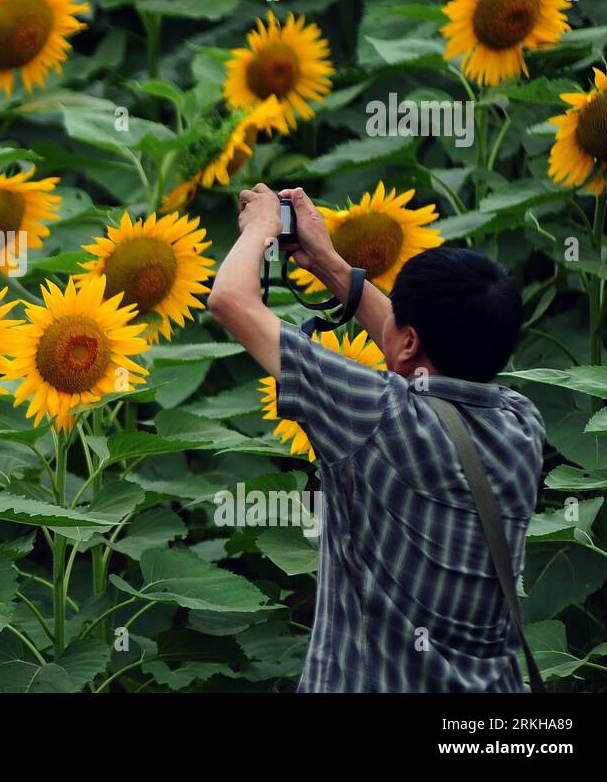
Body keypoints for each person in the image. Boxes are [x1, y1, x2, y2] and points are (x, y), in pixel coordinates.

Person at [207, 183, 545, 691]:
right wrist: (328, 263)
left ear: (408, 341)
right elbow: (414, 339)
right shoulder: (523, 425)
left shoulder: (378, 415)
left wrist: (260, 229)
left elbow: (230, 300)